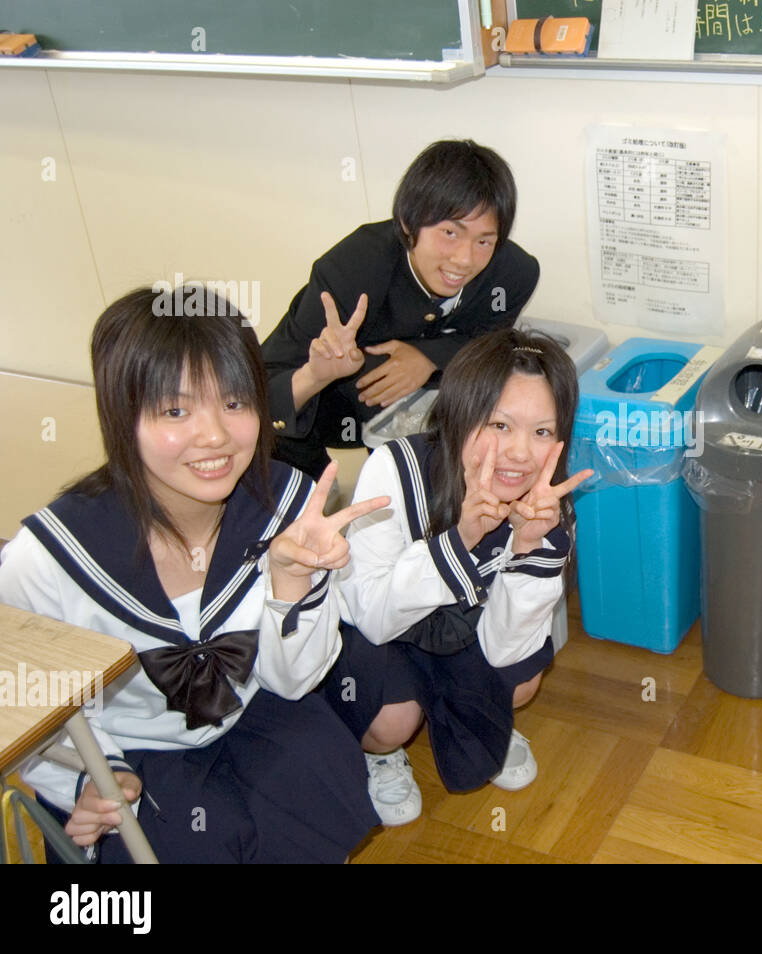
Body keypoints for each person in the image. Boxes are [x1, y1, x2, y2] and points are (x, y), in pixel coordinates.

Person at [0, 286, 389, 863]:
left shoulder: (289, 505)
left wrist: (288, 585)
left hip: (255, 713)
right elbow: (28, 704)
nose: (215, 436)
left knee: (317, 776)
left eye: (235, 403)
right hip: (132, 754)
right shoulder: (48, 559)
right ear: (122, 417)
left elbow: (291, 682)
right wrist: (94, 779)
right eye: (176, 410)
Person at [319, 328, 591, 825]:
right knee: (391, 720)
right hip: (386, 629)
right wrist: (460, 538)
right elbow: (376, 618)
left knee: (521, 680)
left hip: (466, 628)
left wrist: (529, 549)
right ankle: (380, 753)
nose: (520, 453)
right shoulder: (394, 469)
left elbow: (507, 649)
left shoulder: (546, 500)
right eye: (500, 424)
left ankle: (484, 720)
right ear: (460, 413)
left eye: (542, 432)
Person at [260, 139, 541, 480]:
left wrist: (427, 358)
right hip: (315, 420)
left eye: (484, 240)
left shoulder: (513, 274)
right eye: (450, 233)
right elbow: (262, 395)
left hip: (410, 422)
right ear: (408, 224)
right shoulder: (351, 269)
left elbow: (491, 343)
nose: (464, 259)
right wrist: (316, 375)